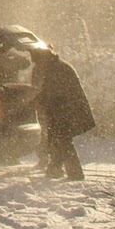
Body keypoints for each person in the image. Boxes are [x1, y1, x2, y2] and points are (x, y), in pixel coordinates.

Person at [30, 45, 94, 180]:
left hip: (67, 111)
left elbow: (52, 93)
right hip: (64, 110)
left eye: (37, 61)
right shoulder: (55, 66)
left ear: (43, 58)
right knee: (58, 140)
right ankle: (55, 169)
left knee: (63, 141)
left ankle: (74, 173)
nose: (37, 65)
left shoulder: (57, 69)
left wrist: (35, 101)